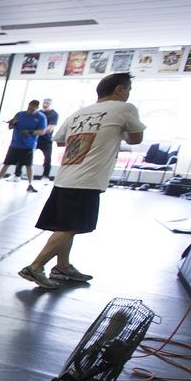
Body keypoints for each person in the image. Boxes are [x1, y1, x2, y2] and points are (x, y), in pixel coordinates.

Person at [18, 72, 145, 289]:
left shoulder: (80, 113)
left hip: (66, 176)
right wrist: (116, 134)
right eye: (128, 90)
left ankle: (63, 266)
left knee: (67, 225)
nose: (128, 94)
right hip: (87, 179)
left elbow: (59, 141)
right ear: (119, 90)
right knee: (70, 227)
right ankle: (36, 266)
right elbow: (136, 138)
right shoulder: (125, 108)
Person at [0, 100, 48, 193]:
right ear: (28, 106)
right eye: (29, 108)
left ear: (37, 108)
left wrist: (30, 132)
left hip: (28, 145)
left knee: (28, 165)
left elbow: (42, 131)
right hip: (15, 144)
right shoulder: (20, 114)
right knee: (6, 163)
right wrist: (12, 123)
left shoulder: (41, 117)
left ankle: (30, 185)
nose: (30, 110)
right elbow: (10, 127)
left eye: (33, 109)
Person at [35, 98, 59, 181]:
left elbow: (50, 128)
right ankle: (17, 174)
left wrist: (38, 131)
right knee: (25, 156)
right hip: (35, 139)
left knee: (47, 159)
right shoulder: (38, 113)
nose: (45, 104)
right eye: (44, 102)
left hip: (46, 140)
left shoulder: (54, 114)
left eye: (47, 103)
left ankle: (45, 176)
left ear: (51, 104)